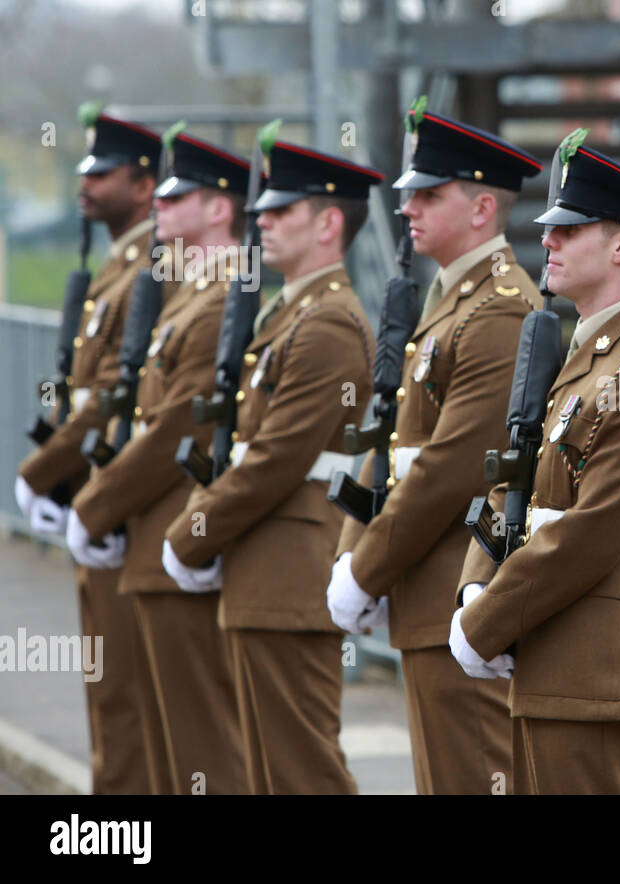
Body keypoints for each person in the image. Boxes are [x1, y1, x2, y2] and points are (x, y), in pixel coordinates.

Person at [451, 129, 620, 794]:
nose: (549, 239)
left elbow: (592, 528)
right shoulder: (591, 356)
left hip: (594, 657)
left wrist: (486, 621)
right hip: (552, 646)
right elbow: (522, 484)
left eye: (571, 230)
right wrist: (480, 579)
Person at [329, 108, 542, 794]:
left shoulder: (501, 310)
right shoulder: (455, 299)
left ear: (483, 207)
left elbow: (451, 469)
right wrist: (351, 550)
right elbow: (395, 442)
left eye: (428, 194)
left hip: (459, 591)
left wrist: (364, 569)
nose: (407, 205)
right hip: (425, 595)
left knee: (474, 776)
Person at [162, 129, 381, 794]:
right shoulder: (292, 316)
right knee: (269, 774)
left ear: (329, 222)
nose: (263, 219)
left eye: (283, 210)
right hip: (262, 571)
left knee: (301, 773)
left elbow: (277, 457)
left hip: (289, 576)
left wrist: (189, 535)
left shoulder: (328, 323)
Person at [65, 125, 252, 794]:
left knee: (202, 747)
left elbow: (177, 428)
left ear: (219, 209)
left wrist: (94, 504)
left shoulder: (224, 295)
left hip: (179, 533)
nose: (160, 211)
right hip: (152, 534)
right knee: (168, 743)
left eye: (178, 198)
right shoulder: (189, 292)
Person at [15, 108, 168, 794]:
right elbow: (81, 390)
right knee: (110, 695)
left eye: (101, 174)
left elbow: (115, 393)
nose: (86, 186)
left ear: (142, 185)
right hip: (96, 500)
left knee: (130, 701)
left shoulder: (150, 268)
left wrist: (41, 474)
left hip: (122, 506)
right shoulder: (114, 264)